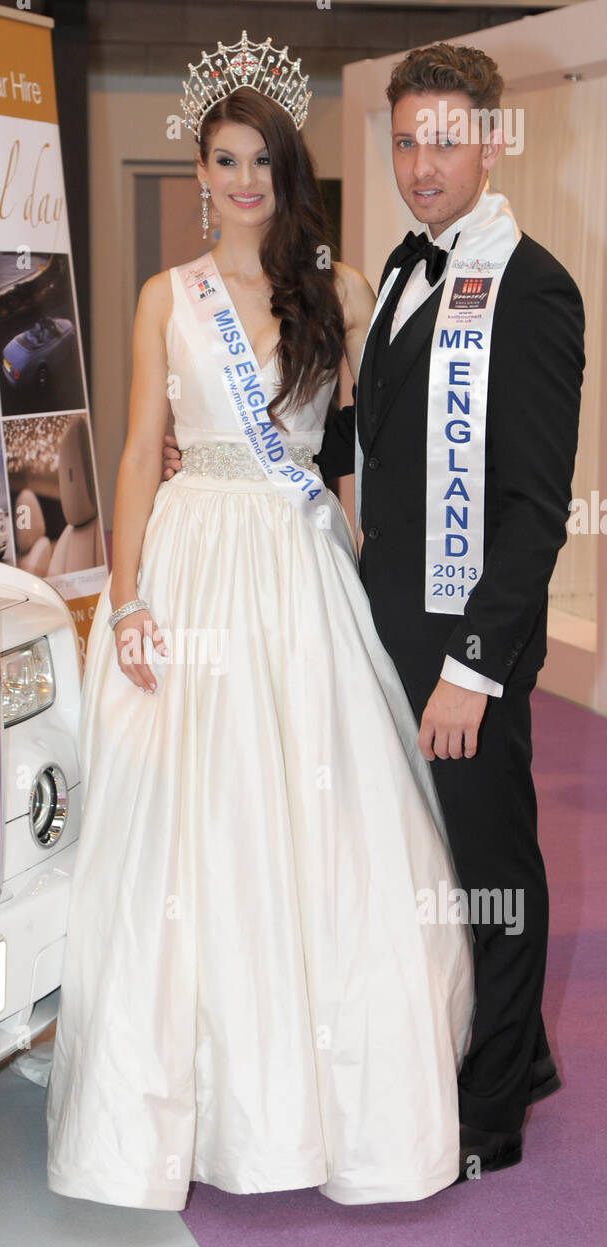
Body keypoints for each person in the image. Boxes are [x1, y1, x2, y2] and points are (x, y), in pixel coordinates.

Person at [46, 34, 473, 1211]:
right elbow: (137, 454)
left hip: (296, 575)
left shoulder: (337, 291)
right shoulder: (161, 298)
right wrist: (126, 599)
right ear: (200, 173)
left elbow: (347, 461)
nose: (243, 183)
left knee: (323, 821)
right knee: (193, 827)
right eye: (224, 161)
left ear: (288, 174)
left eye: (261, 163)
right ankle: (183, 1114)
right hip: (190, 565)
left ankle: (331, 1115)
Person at [165, 42, 586, 1182]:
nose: (421, 161)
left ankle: (492, 1110)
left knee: (491, 858)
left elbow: (538, 507)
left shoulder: (534, 287)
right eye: (405, 139)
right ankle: (514, 1050)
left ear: (491, 140)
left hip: (464, 647)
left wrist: (478, 667)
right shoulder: (398, 271)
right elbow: (365, 431)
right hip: (376, 618)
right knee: (419, 857)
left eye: (444, 137)